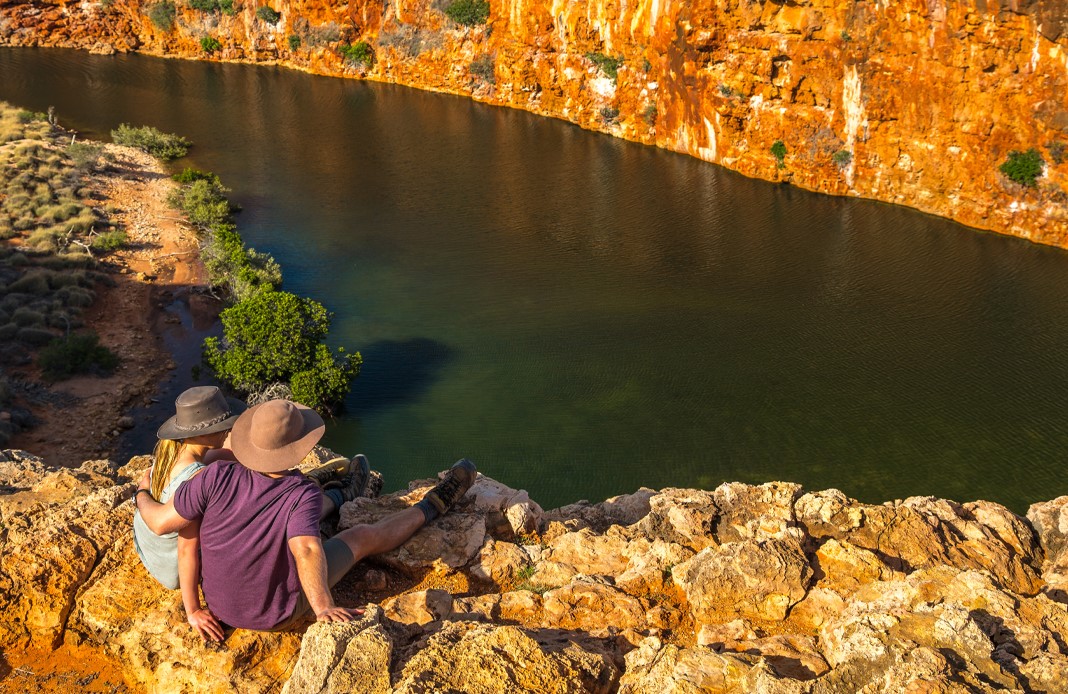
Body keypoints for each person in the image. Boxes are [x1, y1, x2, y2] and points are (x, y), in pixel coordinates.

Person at [133, 399, 477, 641]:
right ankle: (432, 505)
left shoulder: (212, 476)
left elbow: (169, 528)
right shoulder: (301, 493)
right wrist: (323, 606)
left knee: (303, 517)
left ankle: (343, 494)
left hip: (219, 606)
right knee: (359, 537)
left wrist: (141, 495)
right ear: (299, 445)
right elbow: (307, 551)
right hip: (276, 615)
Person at [132, 385, 245, 589]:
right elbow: (181, 543)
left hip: (149, 549)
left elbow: (229, 453)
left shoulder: (171, 452)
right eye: (223, 426)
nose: (229, 430)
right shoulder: (197, 478)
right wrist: (140, 494)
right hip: (173, 567)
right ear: (204, 434)